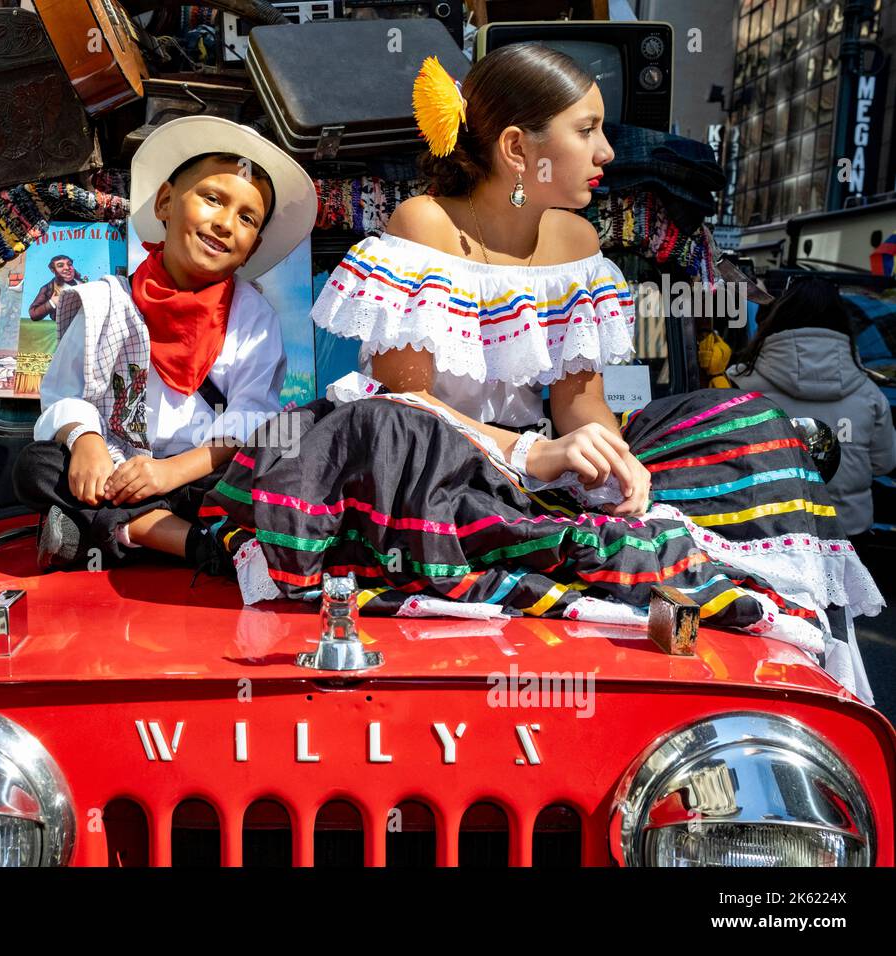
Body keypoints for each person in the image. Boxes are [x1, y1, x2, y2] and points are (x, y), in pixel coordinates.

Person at [198, 47, 883, 683]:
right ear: (516, 148)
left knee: (747, 420)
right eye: (587, 130)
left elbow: (579, 404)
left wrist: (616, 462)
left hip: (538, 475)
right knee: (386, 423)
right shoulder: (423, 224)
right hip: (434, 474)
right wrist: (536, 454)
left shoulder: (577, 240)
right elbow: (408, 405)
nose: (607, 151)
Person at [12, 114, 316, 572]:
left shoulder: (254, 318)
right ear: (166, 202)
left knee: (276, 469)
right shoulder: (105, 301)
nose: (225, 223)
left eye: (246, 218)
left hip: (197, 475)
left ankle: (116, 530)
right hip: (117, 469)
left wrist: (169, 472)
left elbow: (250, 415)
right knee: (37, 466)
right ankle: (191, 542)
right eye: (213, 199)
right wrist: (87, 443)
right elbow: (65, 394)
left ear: (252, 249)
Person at [728, 276, 896, 538]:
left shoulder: (739, 382)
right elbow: (885, 463)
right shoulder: (869, 394)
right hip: (847, 534)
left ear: (778, 317)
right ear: (844, 324)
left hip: (766, 532)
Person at [27, 255, 86, 329]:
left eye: (69, 264)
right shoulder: (48, 288)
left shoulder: (82, 283)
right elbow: (33, 314)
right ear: (53, 270)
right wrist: (52, 303)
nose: (67, 268)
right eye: (60, 265)